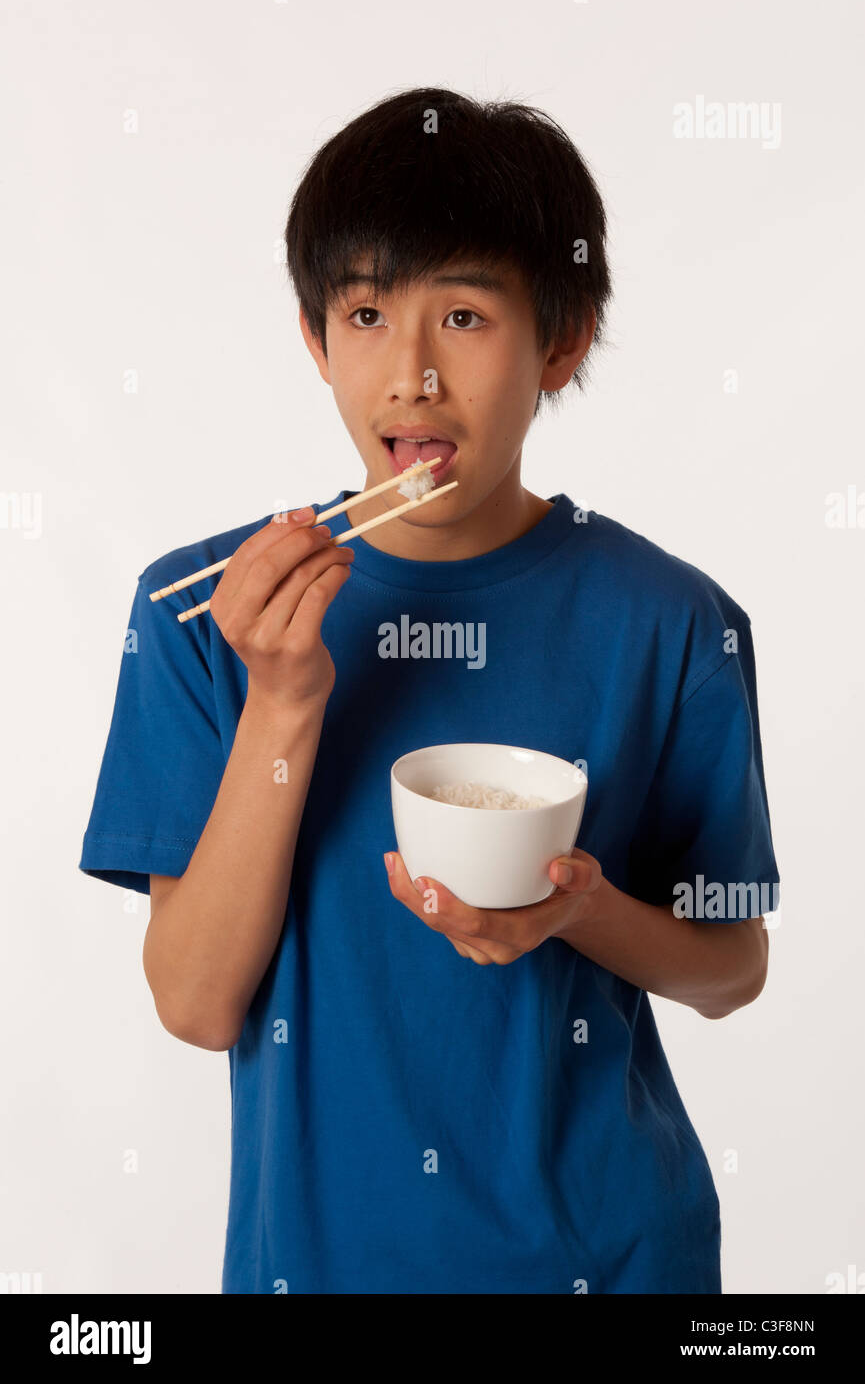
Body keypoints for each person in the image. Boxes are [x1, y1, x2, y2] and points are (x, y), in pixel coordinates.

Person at [79, 87, 780, 1294]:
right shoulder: (198, 611)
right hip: (322, 1264)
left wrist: (577, 911)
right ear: (315, 341)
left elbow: (731, 966)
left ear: (562, 343)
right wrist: (283, 703)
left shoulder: (674, 621)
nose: (408, 374)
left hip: (615, 1263)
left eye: (463, 314)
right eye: (362, 313)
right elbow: (195, 1003)